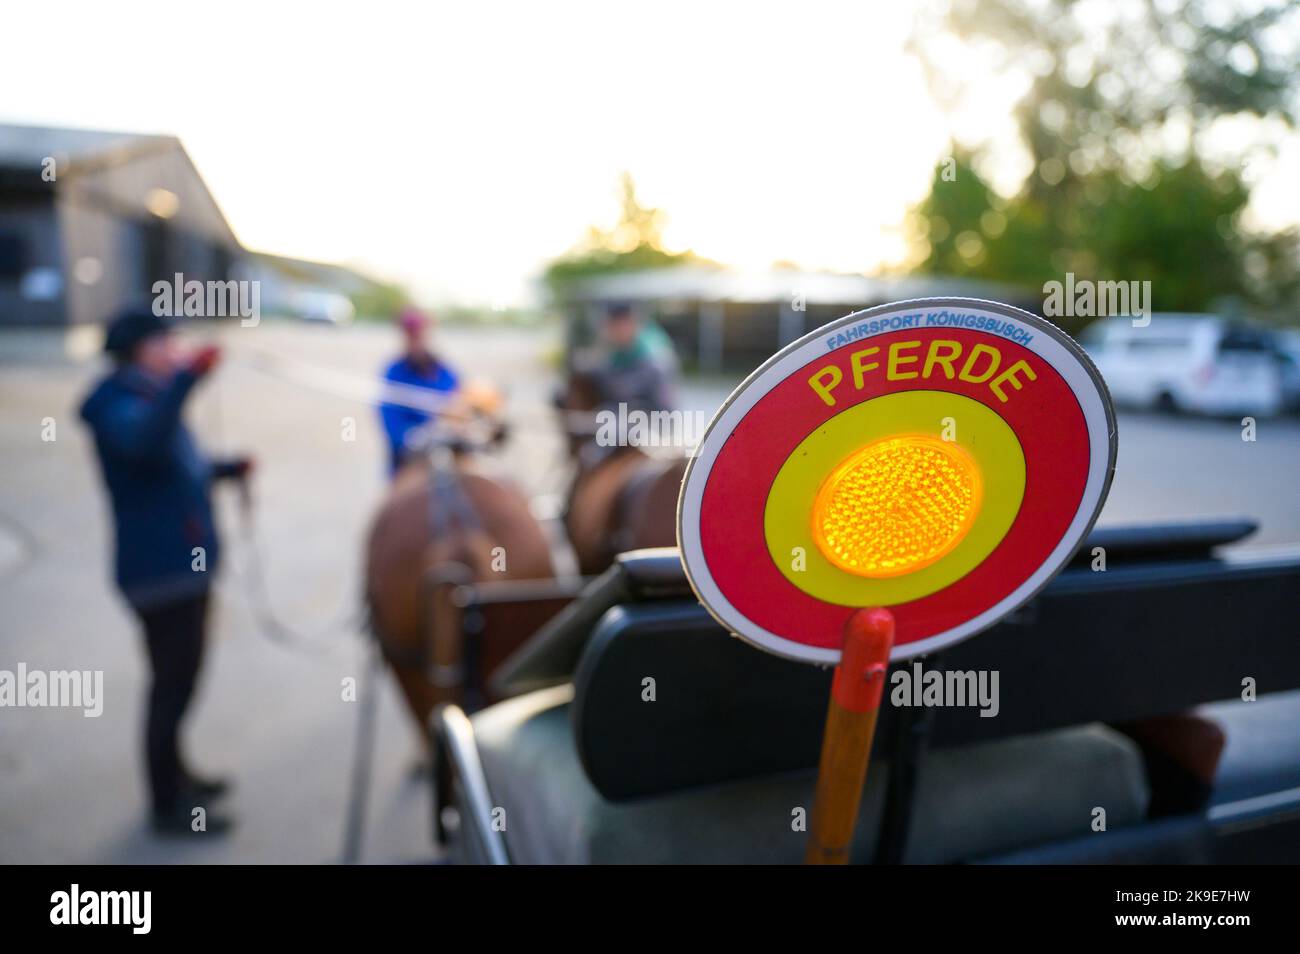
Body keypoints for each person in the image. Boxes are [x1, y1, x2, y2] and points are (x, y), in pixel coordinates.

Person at [80, 309, 252, 836]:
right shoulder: (116, 402)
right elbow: (144, 445)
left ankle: (178, 777)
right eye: (165, 341)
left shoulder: (152, 395)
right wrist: (187, 379)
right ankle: (167, 806)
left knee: (181, 682)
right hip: (160, 575)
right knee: (171, 688)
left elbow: (178, 464)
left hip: (185, 568)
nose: (174, 348)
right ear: (139, 349)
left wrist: (226, 469)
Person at [378, 307, 460, 475]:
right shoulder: (394, 373)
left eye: (420, 334)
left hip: (447, 459)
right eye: (410, 335)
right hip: (409, 462)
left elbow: (459, 403)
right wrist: (419, 437)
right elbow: (392, 424)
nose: (416, 340)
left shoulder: (445, 370)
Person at [586, 302, 679, 414]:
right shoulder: (612, 358)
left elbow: (665, 412)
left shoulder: (654, 360)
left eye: (620, 325)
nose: (616, 331)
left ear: (632, 324)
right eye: (612, 326)